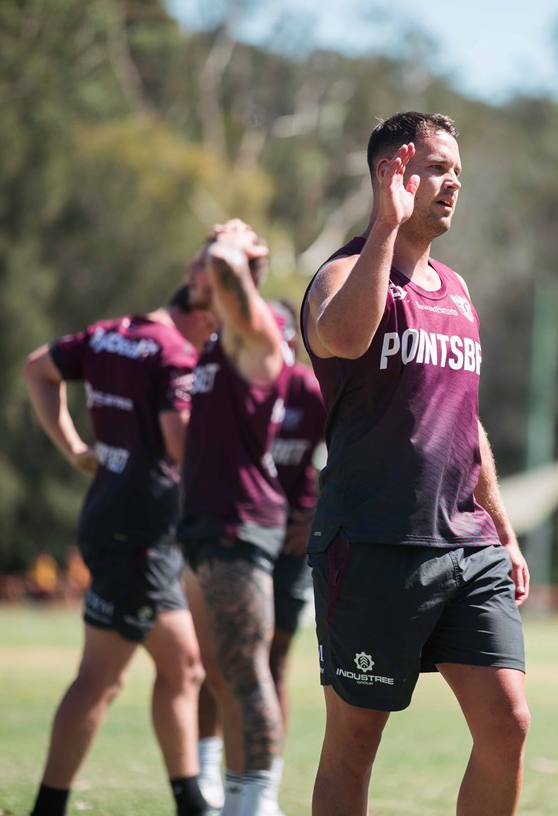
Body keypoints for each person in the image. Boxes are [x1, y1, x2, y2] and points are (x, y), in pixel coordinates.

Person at [300, 111, 531, 816]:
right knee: (356, 739)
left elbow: (466, 421)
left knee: (508, 723)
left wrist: (502, 526)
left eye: (456, 169)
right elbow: (343, 336)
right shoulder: (342, 272)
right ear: (390, 174)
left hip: (465, 546)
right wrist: (384, 231)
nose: (451, 180)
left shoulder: (458, 291)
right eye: (434, 166)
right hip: (371, 545)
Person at [21, 285, 216, 816]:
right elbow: (183, 447)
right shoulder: (174, 351)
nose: (215, 342)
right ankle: (51, 806)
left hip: (124, 522)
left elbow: (37, 368)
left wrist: (74, 450)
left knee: (183, 668)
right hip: (137, 534)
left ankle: (191, 800)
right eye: (215, 329)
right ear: (198, 317)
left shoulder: (108, 335)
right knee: (101, 679)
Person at [194, 298, 326, 816]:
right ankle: (208, 768)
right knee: (220, 659)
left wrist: (316, 515)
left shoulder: (308, 392)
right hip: (237, 535)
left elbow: (348, 451)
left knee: (272, 662)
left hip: (290, 546)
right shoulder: (225, 391)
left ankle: (263, 780)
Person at [178, 219, 291, 816]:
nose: (192, 275)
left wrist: (232, 241)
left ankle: (257, 803)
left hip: (238, 527)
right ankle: (236, 796)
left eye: (203, 265)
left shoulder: (258, 335)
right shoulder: (217, 343)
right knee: (219, 674)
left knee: (247, 673)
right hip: (201, 527)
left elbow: (225, 270)